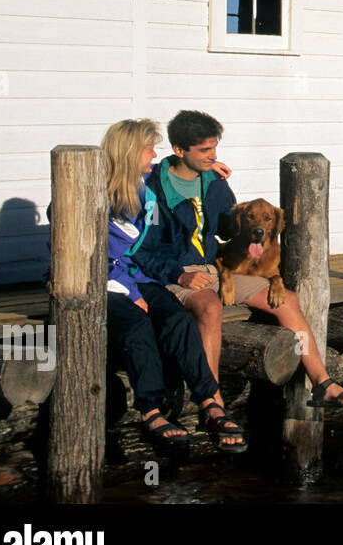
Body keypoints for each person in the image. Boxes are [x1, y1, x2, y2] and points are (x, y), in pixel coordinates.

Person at [132, 110, 343, 409]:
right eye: (204, 150)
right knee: (210, 308)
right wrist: (178, 274)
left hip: (214, 267)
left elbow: (228, 231)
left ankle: (323, 382)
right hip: (176, 272)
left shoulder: (214, 183)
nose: (212, 155)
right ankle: (211, 399)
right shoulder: (152, 188)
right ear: (179, 150)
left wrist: (252, 222)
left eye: (214, 148)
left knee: (289, 301)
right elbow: (141, 249)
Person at [102, 119, 246, 454]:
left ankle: (210, 403)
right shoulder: (101, 190)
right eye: (148, 148)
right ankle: (150, 411)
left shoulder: (142, 187)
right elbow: (98, 256)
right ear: (128, 153)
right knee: (139, 327)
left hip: (137, 277)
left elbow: (175, 171)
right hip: (102, 284)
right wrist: (135, 293)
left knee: (177, 320)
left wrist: (210, 172)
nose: (155, 153)